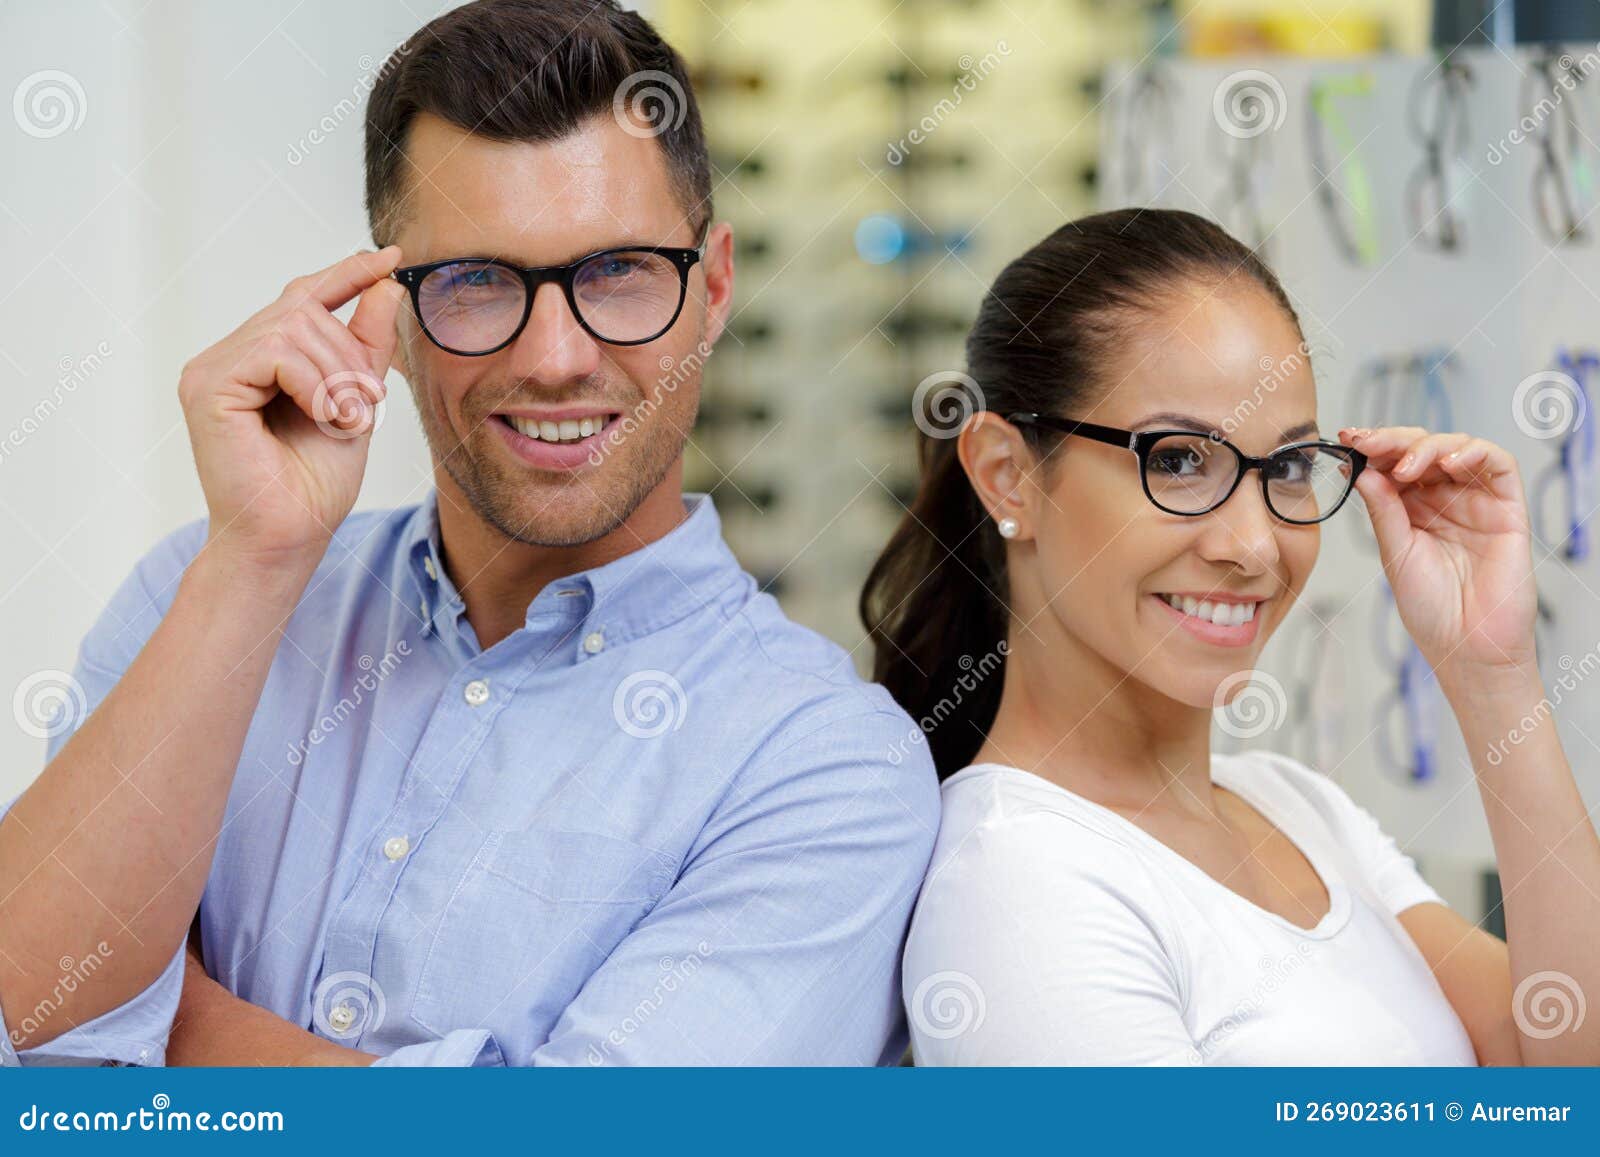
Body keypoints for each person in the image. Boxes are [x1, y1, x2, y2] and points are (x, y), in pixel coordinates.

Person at [0, 0, 938, 1067]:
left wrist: (169, 1010)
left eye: (618, 270)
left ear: (713, 287)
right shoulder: (201, 590)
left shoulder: (826, 768)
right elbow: (21, 1006)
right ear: (388, 312)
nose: (553, 357)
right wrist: (255, 556)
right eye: (476, 281)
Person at [865, 208, 1600, 1065]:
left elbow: (1565, 1067)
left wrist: (1492, 673)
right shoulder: (1016, 883)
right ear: (1008, 476)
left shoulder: (1298, 807)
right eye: (1178, 459)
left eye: (1286, 468)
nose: (1252, 546)